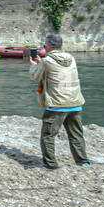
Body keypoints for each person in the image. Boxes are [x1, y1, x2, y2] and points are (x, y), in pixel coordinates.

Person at [29, 33, 89, 169]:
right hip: (75, 102)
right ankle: (83, 162)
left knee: (47, 136)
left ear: (49, 46)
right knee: (76, 135)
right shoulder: (71, 59)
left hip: (57, 104)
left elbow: (35, 76)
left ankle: (50, 164)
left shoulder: (46, 61)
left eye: (45, 45)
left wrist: (34, 65)